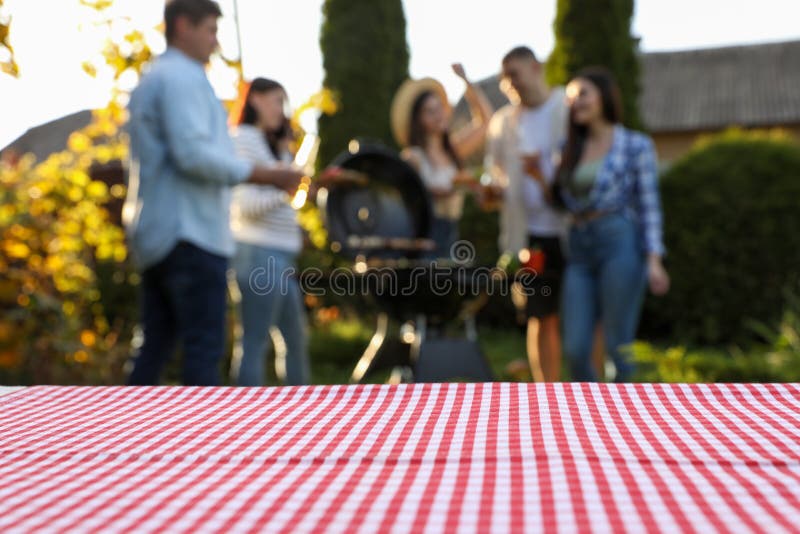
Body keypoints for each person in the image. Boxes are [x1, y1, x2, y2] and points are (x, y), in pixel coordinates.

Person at [123, 0, 303, 386]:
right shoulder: (182, 79)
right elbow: (192, 155)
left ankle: (124, 441)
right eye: (210, 30)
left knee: (155, 347)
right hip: (189, 234)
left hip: (161, 233)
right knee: (202, 352)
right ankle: (203, 445)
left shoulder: (156, 79)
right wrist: (263, 174)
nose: (215, 40)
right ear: (183, 26)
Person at [550, 66, 670, 382]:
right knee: (575, 348)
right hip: (579, 247)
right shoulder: (567, 150)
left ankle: (623, 423)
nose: (575, 103)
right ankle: (588, 420)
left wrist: (654, 261)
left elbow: (649, 205)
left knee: (619, 346)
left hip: (619, 242)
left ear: (604, 97)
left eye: (583, 94)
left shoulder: (635, 145)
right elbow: (561, 202)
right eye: (571, 98)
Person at [484, 46, 569, 382]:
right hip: (529, 237)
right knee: (539, 314)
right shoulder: (503, 122)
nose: (510, 82)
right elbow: (496, 173)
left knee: (577, 317)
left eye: (514, 73)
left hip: (569, 231)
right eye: (506, 77)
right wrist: (492, 189)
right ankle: (547, 391)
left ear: (535, 67)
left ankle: (586, 390)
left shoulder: (565, 106)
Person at [229, 78, 310, 386]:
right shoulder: (243, 139)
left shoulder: (272, 147)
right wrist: (286, 190)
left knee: (295, 339)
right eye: (277, 100)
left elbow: (285, 195)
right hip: (257, 252)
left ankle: (300, 415)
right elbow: (244, 206)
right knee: (254, 341)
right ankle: (246, 419)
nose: (282, 110)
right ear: (256, 100)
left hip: (282, 257)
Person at [390, 63, 492, 259]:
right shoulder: (413, 157)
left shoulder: (454, 150)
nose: (439, 116)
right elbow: (411, 199)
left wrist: (466, 82)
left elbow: (486, 121)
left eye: (440, 108)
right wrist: (448, 190)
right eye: (430, 111)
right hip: (426, 233)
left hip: (451, 231)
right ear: (417, 120)